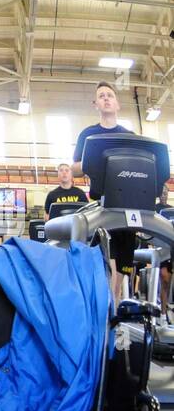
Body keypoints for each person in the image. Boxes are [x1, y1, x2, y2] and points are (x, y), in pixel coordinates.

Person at [73, 82, 134, 302]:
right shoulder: (88, 134)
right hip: (102, 205)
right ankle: (103, 314)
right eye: (101, 96)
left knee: (120, 275)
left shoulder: (129, 135)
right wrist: (94, 160)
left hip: (126, 204)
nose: (106, 98)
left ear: (117, 103)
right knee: (106, 264)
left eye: (110, 95)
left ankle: (114, 317)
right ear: (96, 104)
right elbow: (75, 168)